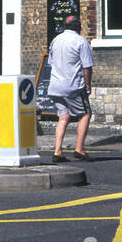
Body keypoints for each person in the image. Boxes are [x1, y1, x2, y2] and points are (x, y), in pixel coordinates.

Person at [47, 16, 94, 163]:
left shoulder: (55, 40)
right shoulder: (81, 41)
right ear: (78, 26)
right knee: (85, 114)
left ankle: (57, 151)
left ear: (64, 26)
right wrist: (88, 84)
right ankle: (79, 149)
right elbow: (87, 67)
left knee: (64, 116)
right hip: (72, 86)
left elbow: (51, 62)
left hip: (54, 86)